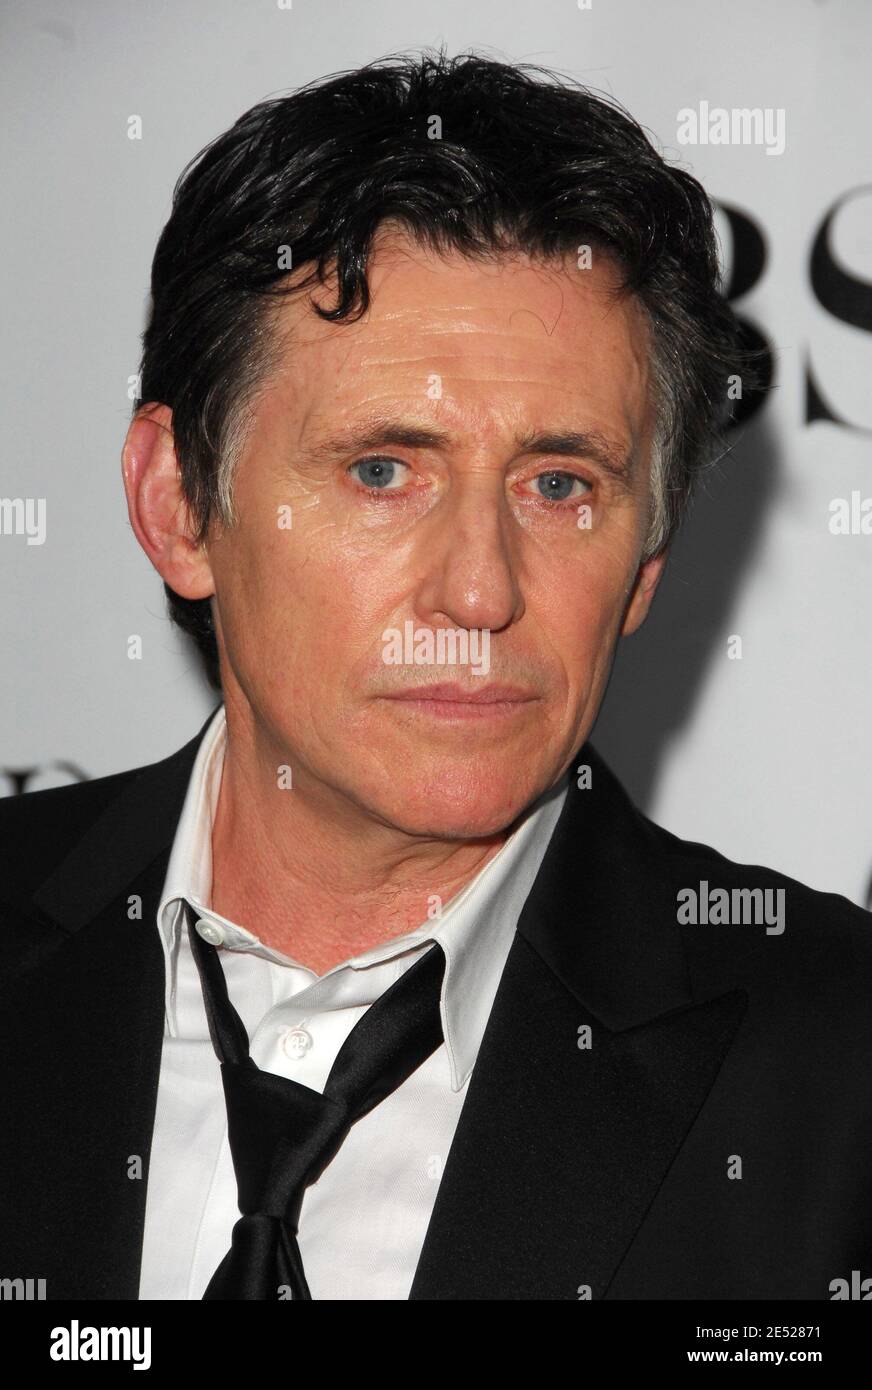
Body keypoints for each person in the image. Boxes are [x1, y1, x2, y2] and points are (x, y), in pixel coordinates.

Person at [2, 50, 870, 1302]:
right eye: (382, 471)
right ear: (181, 503)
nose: (480, 592)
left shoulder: (836, 1077)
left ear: (643, 565)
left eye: (559, 485)